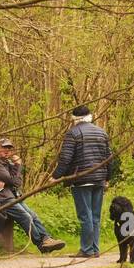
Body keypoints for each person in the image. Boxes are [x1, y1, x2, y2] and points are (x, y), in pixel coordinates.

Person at [50, 105, 111, 257]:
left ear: (75, 118)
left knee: (85, 216)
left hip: (81, 179)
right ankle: (95, 249)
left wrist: (55, 176)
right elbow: (109, 158)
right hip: (99, 179)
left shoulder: (73, 133)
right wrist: (107, 178)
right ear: (90, 116)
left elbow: (65, 158)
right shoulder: (102, 132)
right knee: (95, 216)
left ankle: (86, 250)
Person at [0, 138, 65, 253]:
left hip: (12, 196)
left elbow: (17, 182)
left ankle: (46, 239)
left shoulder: (6, 162)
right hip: (0, 199)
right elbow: (12, 181)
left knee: (33, 215)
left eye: (9, 148)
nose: (7, 151)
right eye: (4, 148)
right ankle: (41, 244)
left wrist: (15, 167)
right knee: (25, 216)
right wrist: (18, 165)